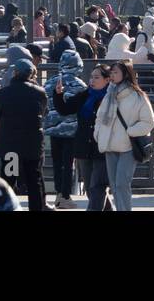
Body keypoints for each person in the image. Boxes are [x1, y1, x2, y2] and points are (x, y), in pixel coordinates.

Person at [93, 59, 154, 211]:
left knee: (122, 183)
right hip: (109, 144)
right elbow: (100, 117)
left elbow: (149, 121)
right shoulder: (109, 94)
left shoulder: (137, 96)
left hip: (128, 146)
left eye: (116, 72)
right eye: (111, 72)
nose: (112, 75)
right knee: (114, 185)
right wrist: (98, 134)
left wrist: (131, 131)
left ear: (126, 74)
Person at [52, 63, 113, 210]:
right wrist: (58, 95)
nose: (92, 80)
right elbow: (65, 110)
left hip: (103, 147)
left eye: (96, 77)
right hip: (83, 147)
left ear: (107, 80)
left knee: (96, 185)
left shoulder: (112, 98)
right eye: (91, 77)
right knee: (89, 186)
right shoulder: (84, 96)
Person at [0, 57, 49, 210]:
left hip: (10, 144)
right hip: (32, 145)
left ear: (15, 73)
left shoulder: (2, 93)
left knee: (8, 181)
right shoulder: (40, 93)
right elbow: (44, 112)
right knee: (34, 181)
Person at [43, 49, 87, 209]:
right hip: (71, 130)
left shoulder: (50, 82)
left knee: (56, 161)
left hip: (53, 129)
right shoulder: (80, 85)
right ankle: (65, 195)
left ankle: (58, 193)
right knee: (68, 163)